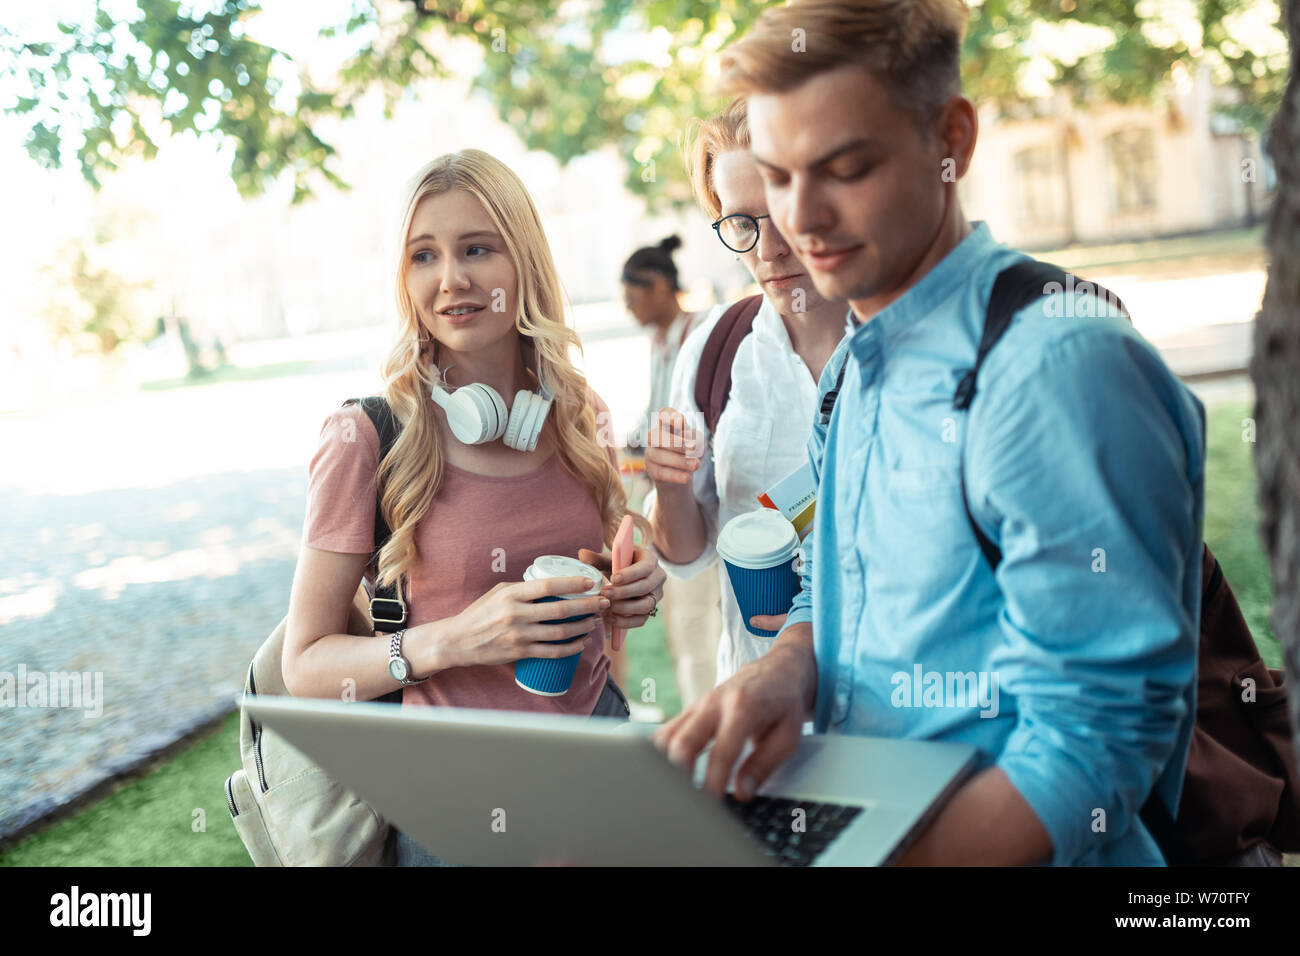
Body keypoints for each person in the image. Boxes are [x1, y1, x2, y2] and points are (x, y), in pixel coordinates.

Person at [652, 0, 1205, 866]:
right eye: (779, 176)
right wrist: (783, 670)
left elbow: (1097, 740)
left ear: (953, 139)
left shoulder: (1057, 367)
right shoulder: (855, 362)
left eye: (845, 167)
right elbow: (828, 596)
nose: (803, 218)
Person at [282, 149, 667, 866]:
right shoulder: (363, 437)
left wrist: (628, 594)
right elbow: (305, 666)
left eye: (476, 249)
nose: (451, 279)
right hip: (455, 804)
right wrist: (454, 640)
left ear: (523, 261)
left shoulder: (585, 414)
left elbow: (603, 590)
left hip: (602, 756)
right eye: (423, 255)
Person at [646, 98, 848, 689]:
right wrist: (670, 485)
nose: (767, 250)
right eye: (741, 223)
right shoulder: (717, 349)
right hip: (762, 705)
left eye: (782, 213)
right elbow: (686, 555)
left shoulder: (907, 343)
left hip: (897, 709)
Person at [618, 236, 724, 708]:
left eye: (632, 296)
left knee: (699, 611)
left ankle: (712, 713)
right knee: (683, 615)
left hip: (696, 498)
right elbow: (654, 415)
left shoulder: (699, 337)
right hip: (664, 495)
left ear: (659, 287)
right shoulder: (662, 342)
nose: (628, 309)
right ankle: (698, 708)